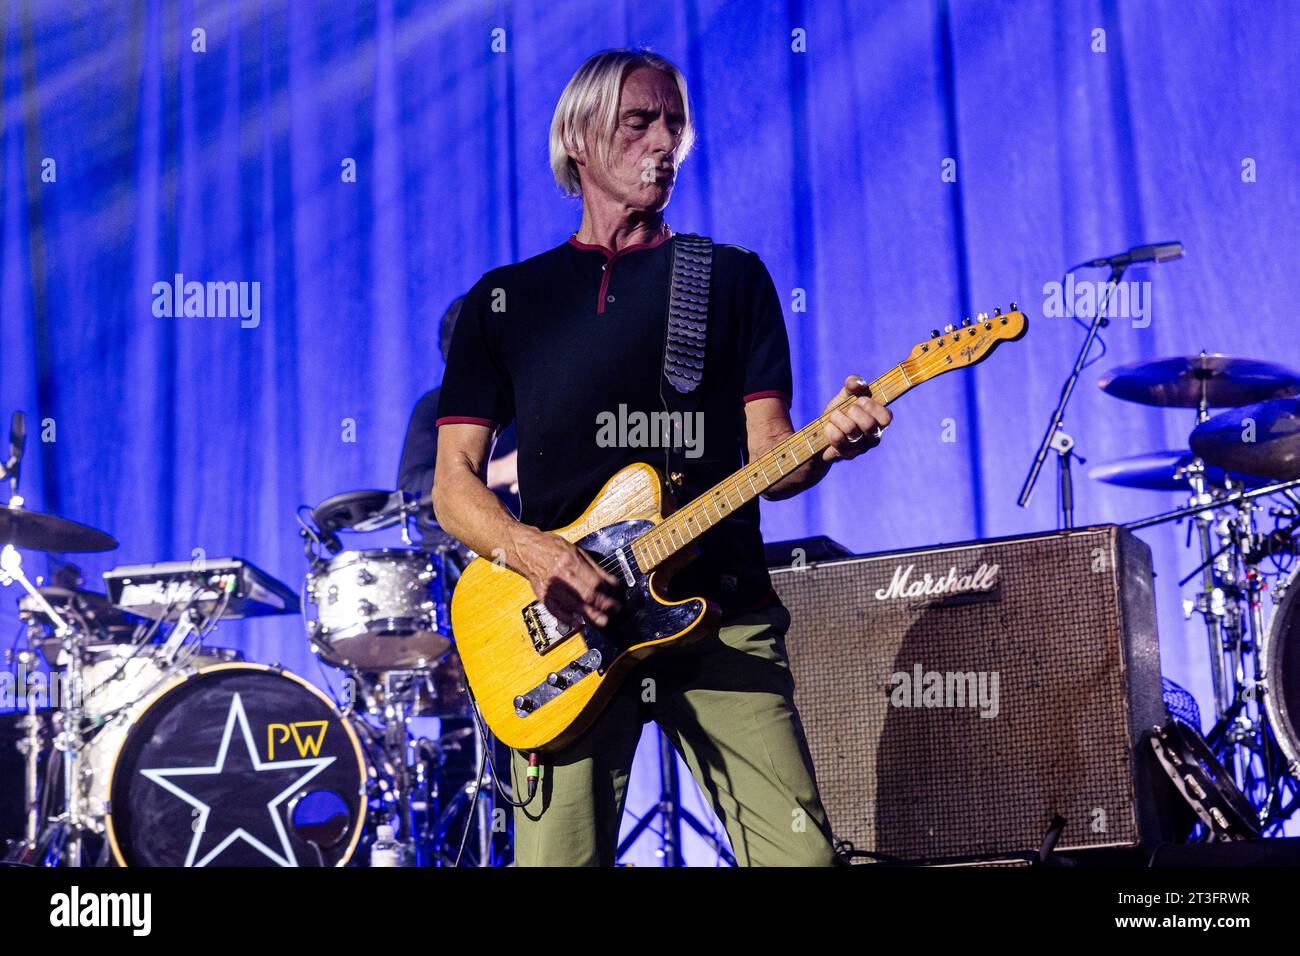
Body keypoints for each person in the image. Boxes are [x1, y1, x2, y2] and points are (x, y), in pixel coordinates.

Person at [432, 49, 891, 866]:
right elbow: (452, 486)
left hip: (722, 615)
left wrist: (831, 445)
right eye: (638, 123)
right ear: (578, 139)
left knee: (803, 861)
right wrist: (536, 555)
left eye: (673, 124)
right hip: (570, 629)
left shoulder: (730, 278)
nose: (664, 143)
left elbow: (774, 463)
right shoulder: (506, 302)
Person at [397, 295, 519, 537]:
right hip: (460, 551)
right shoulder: (434, 406)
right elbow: (410, 491)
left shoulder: (531, 400)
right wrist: (502, 471)